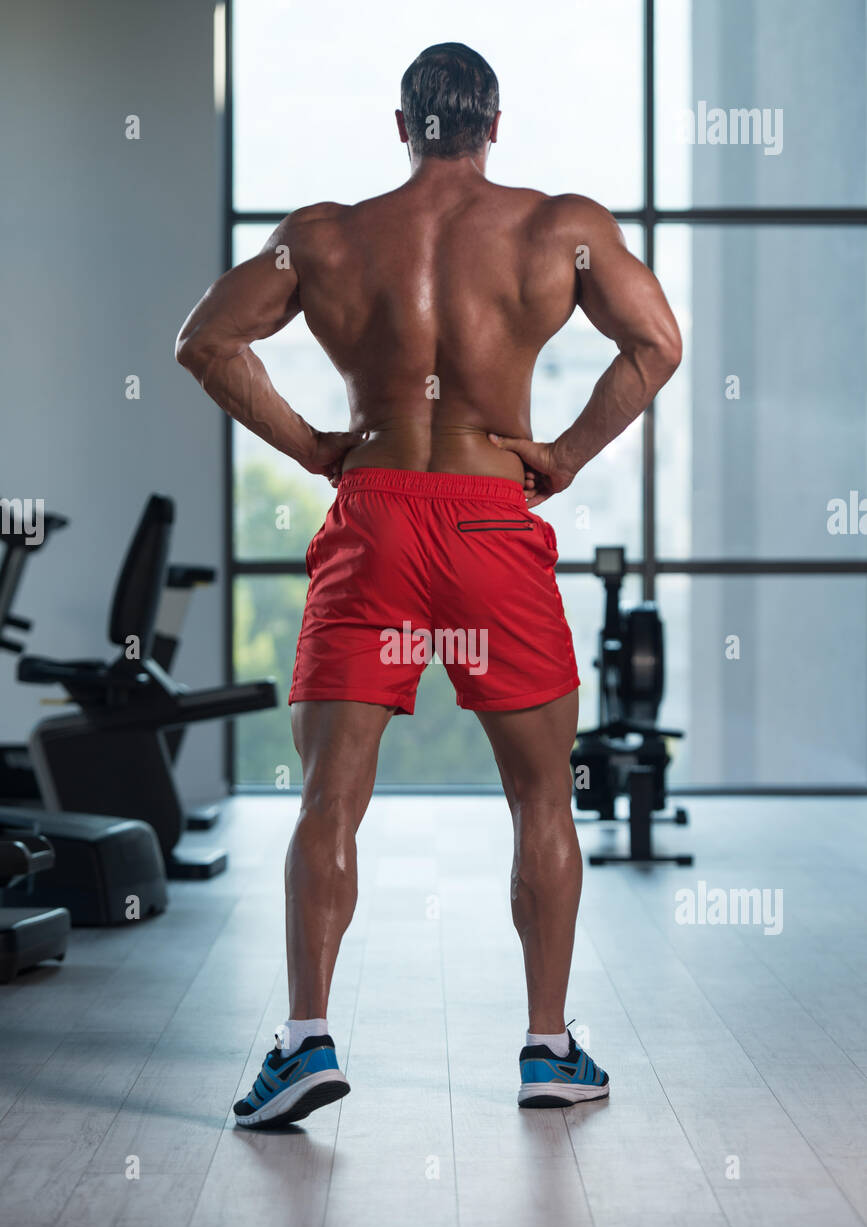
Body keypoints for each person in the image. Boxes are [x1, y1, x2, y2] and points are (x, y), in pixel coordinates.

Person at [176, 41, 681, 1127]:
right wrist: (569, 453)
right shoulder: (562, 229)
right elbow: (656, 342)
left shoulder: (323, 236)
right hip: (494, 520)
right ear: (495, 123)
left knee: (328, 797)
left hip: (376, 516)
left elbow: (205, 342)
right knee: (543, 796)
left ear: (400, 127)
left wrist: (316, 444)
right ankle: (549, 1050)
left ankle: (305, 1039)